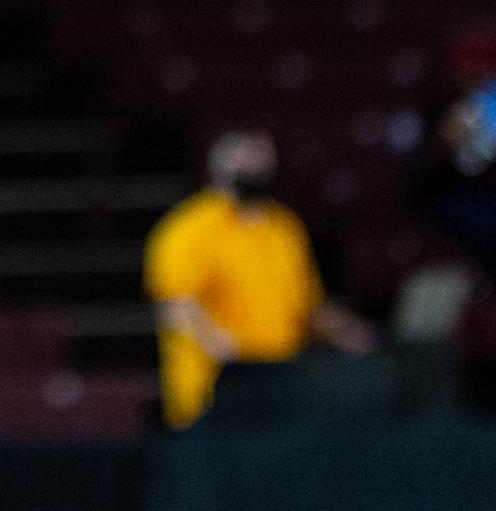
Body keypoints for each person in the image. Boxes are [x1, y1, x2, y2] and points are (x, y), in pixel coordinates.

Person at [146, 130, 377, 428]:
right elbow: (175, 305)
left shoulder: (284, 227)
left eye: (260, 161)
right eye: (243, 160)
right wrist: (218, 343)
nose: (253, 169)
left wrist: (347, 333)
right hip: (212, 395)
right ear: (217, 164)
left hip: (280, 387)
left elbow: (307, 306)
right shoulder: (188, 228)